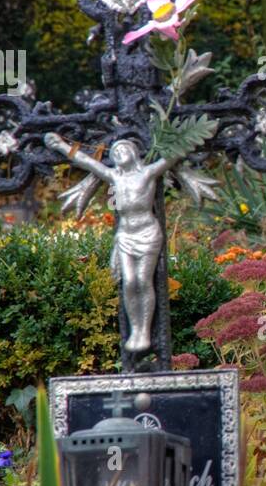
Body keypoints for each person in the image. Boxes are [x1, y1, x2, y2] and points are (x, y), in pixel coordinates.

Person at [44, 133, 182, 353]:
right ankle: (135, 330)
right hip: (125, 234)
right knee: (128, 282)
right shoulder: (114, 177)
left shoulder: (146, 173)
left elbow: (171, 158)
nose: (119, 154)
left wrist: (190, 137)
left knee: (143, 280)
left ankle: (144, 331)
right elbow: (86, 161)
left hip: (147, 232)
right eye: (115, 152)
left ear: (134, 153)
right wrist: (61, 146)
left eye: (123, 149)